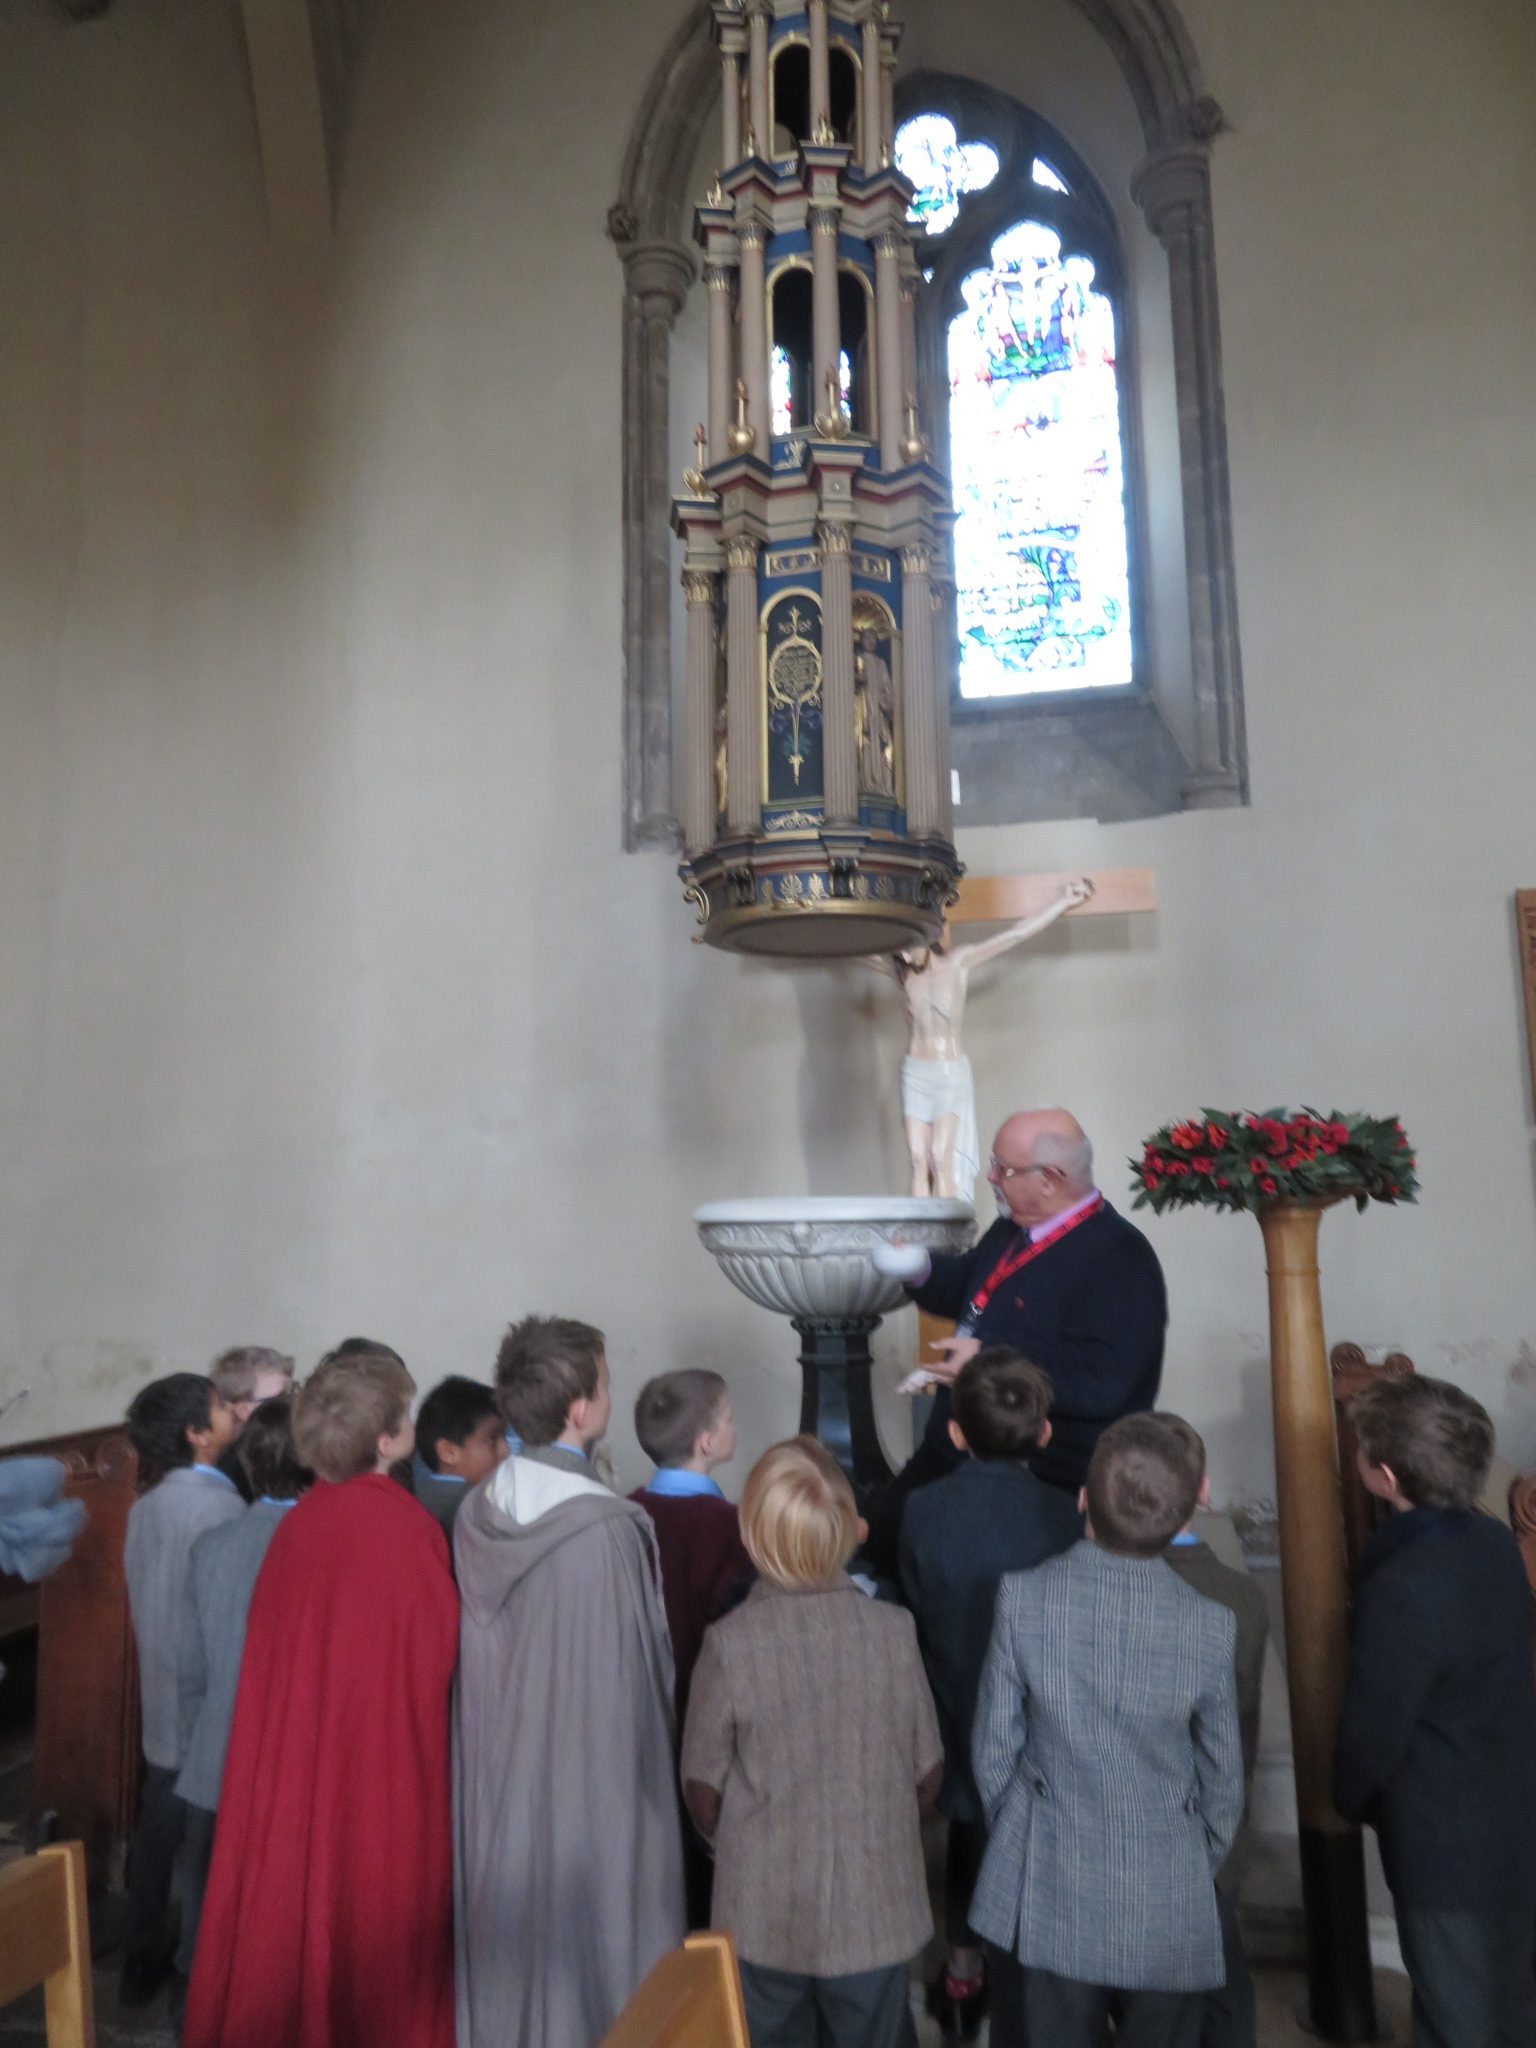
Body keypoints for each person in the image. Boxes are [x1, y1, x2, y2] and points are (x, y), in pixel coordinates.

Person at [182, 1348, 458, 2048]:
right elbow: (432, 1672)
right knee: (368, 1938)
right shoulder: (409, 1532)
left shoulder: (296, 1528)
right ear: (391, 1438)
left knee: (289, 1915)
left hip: (288, 1772)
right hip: (379, 1782)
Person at [971, 1414, 1243, 2048]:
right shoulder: (1208, 1623)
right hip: (1168, 1878)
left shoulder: (1025, 1598)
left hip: (1053, 1869)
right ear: (1182, 1520)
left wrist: (1023, 1829)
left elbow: (992, 1749)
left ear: (1083, 1498)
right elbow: (1224, 1774)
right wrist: (1192, 1854)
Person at [454, 1315, 685, 2048]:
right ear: (580, 1409)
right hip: (591, 1792)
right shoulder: (603, 1530)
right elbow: (633, 1694)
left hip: (500, 1790)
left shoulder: (477, 1510)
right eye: (607, 1384)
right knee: (600, 1959)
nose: (610, 1397)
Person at [682, 1436, 944, 2048]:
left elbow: (702, 1789)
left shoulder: (730, 1643)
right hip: (873, 1902)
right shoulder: (892, 1631)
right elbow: (927, 1774)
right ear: (853, 1531)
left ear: (748, 1538)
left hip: (764, 1907)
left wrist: (742, 1845)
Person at [864, 1106, 1166, 1573]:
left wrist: (987, 1358)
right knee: (878, 1544)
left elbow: (1106, 1380)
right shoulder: (1012, 1229)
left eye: (1003, 1168)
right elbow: (975, 1289)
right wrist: (921, 1268)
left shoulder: (1121, 1260)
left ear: (1050, 1178)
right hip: (955, 1455)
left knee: (949, 1586)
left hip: (1041, 1479)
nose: (990, 1176)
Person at [1334, 1376, 1536, 2048]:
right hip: (1510, 1812)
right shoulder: (1493, 1546)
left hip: (1445, 1842)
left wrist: (1350, 1797)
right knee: (1508, 2006)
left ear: (1383, 1476)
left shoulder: (1404, 1583)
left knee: (1456, 2020)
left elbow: (1374, 1730)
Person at [897, 1349, 1082, 2042]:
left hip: (955, 1689)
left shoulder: (923, 1510)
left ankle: (963, 1974)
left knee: (972, 1829)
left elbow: (915, 1598)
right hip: (1041, 1711)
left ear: (954, 1433)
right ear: (1043, 1434)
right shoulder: (1065, 1516)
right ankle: (1029, 1977)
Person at [174, 1395, 313, 1993]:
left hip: (212, 1763)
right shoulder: (325, 1550)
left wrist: (195, 1751)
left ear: (248, 1465)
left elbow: (191, 1673)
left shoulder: (213, 1546)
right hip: (289, 1769)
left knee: (204, 1930)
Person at [120, 1372, 241, 2008]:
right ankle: (199, 1964)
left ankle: (139, 1959)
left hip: (160, 1690)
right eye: (224, 1409)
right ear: (198, 1436)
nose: (236, 1415)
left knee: (156, 1830)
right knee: (203, 1842)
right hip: (204, 1697)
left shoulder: (145, 1508)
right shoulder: (223, 1509)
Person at [856, 883, 1092, 1199]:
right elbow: (847, 947)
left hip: (947, 1072)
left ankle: (946, 1243)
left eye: (906, 940)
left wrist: (1061, 902)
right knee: (917, 1159)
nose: (900, 950)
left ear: (926, 933)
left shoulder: (958, 963)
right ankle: (920, 1242)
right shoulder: (900, 973)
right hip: (914, 1072)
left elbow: (1014, 935)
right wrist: (817, 912)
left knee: (941, 1158)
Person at [1153, 1414, 1270, 2048]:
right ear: (1202, 1491)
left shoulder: (1099, 1592)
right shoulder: (1240, 1597)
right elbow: (1242, 1726)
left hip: (1131, 1836)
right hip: (1212, 1833)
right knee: (1223, 1983)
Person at [630, 1366, 755, 1926]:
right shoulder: (729, 1527)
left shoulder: (625, 1515)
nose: (733, 1426)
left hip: (639, 1713)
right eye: (728, 1418)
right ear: (707, 1442)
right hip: (708, 1719)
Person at [411, 1375, 508, 1536]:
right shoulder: (478, 1511)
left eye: (504, 1436)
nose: (505, 1450)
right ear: (449, 1452)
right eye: (492, 1439)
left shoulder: (420, 1488)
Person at [210, 1345, 296, 1500]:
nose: (293, 1403)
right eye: (280, 1398)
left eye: (292, 1391)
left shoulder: (289, 1443)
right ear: (243, 1410)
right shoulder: (231, 1473)